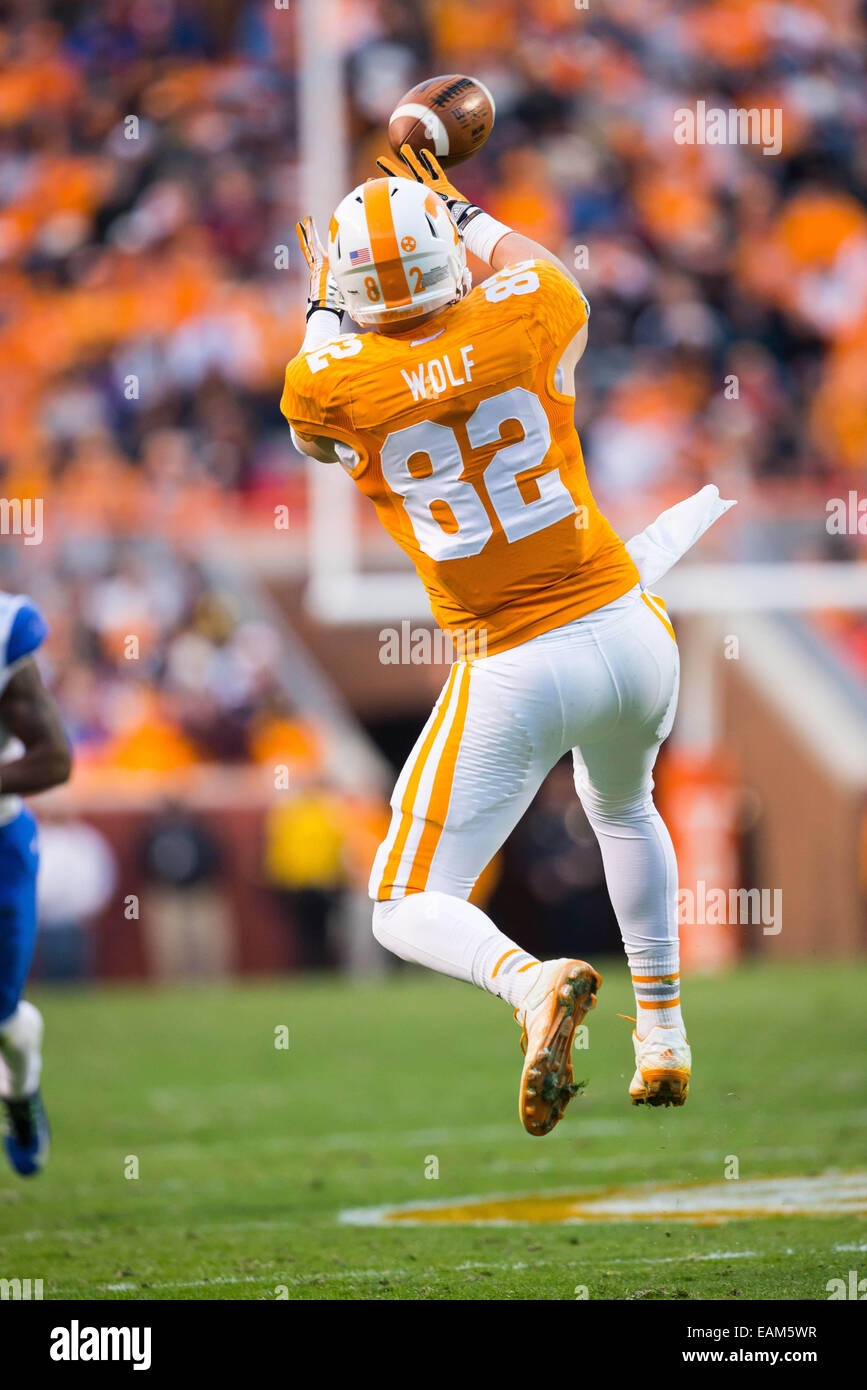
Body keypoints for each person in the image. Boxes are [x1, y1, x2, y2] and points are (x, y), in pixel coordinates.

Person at [281, 145, 731, 1136]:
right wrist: (455, 201)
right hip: (628, 626)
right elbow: (541, 268)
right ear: (449, 253)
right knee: (624, 807)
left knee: (401, 902)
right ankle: (662, 1032)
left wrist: (325, 301)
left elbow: (311, 403)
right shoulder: (526, 310)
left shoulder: (332, 388)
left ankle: (530, 985)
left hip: (515, 662)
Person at [0, 592, 72, 1174]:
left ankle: (21, 1095)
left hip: (1, 845)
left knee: (6, 1022)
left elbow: (54, 758)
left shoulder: (5, 629)